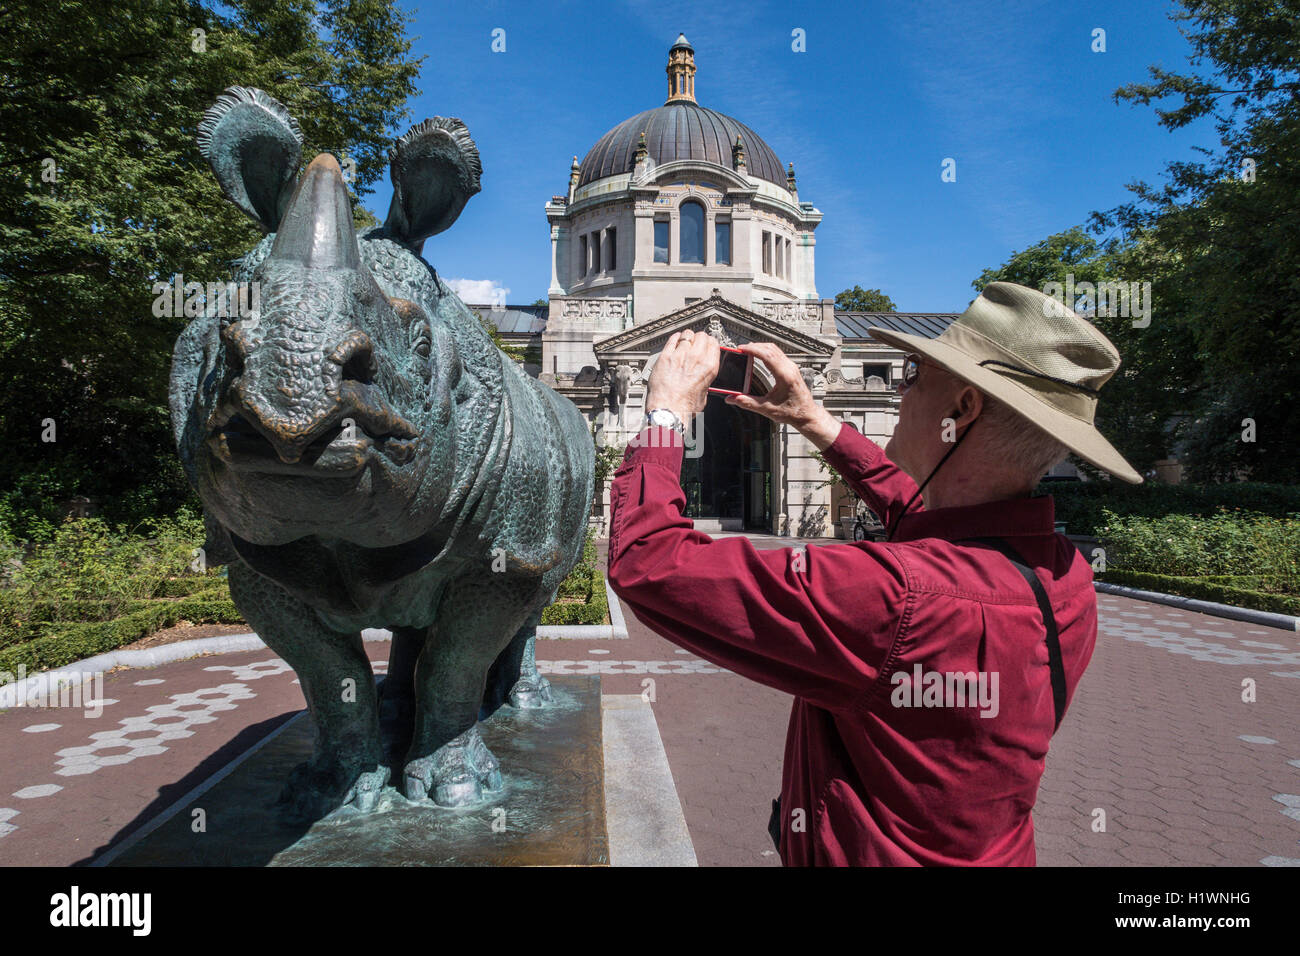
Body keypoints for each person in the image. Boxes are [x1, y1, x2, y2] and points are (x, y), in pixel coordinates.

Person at [605, 281, 1143, 866]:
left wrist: (667, 415)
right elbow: (929, 518)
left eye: (911, 373)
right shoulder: (1063, 574)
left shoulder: (896, 598)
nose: (898, 388)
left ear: (962, 409)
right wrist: (813, 419)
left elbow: (649, 561)